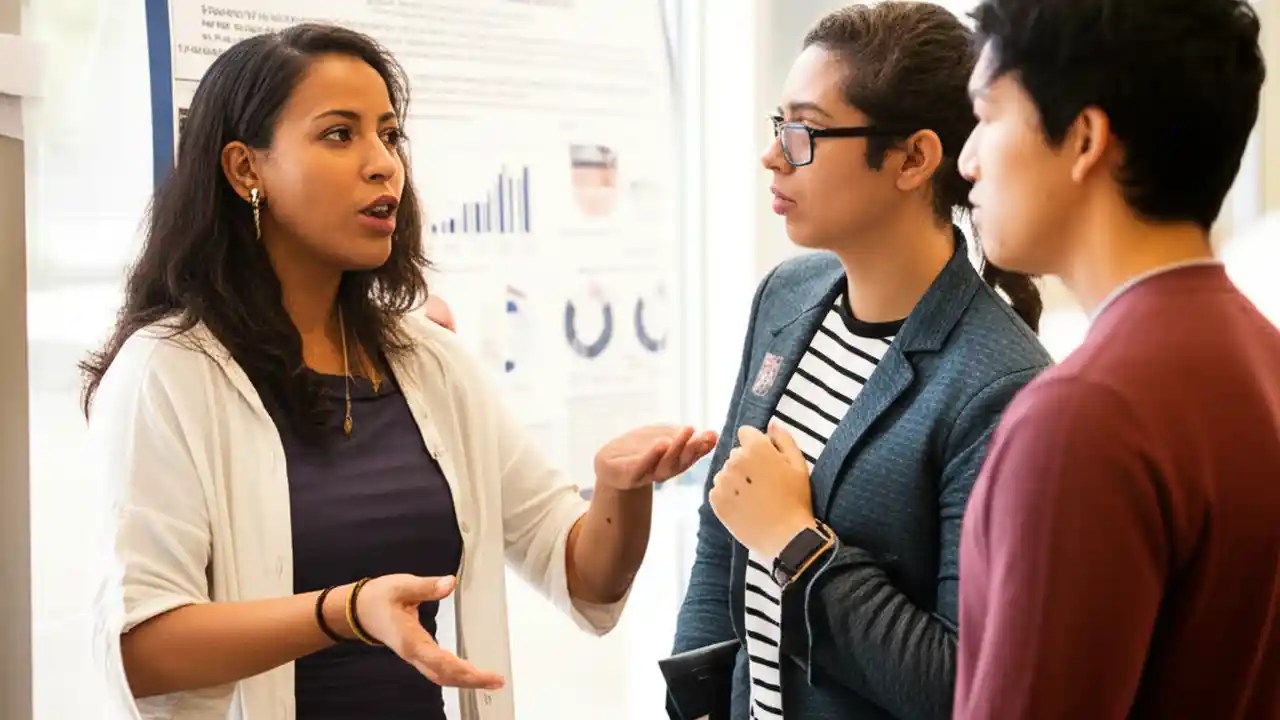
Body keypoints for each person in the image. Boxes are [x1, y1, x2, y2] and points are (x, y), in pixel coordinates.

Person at [83, 24, 716, 720]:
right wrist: (343, 611)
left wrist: (619, 492)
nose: (383, 164)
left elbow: (582, 573)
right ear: (245, 170)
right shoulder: (169, 372)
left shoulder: (428, 361)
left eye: (389, 135)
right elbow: (140, 649)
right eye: (338, 134)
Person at [671, 4, 1052, 719]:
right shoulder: (787, 295)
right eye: (776, 124)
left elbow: (958, 684)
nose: (774, 155)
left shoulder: (1002, 387)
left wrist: (795, 543)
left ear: (913, 158)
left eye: (805, 132)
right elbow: (722, 528)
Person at [954, 1, 1279, 718]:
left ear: (1085, 139)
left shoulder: (1084, 416)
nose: (967, 159)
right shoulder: (1263, 356)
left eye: (987, 115)